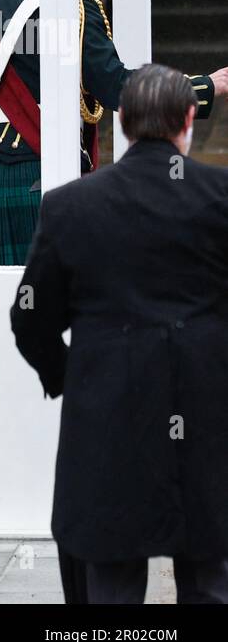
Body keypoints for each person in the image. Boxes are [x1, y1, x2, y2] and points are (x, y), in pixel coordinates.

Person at [0, 0, 228, 523]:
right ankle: (43, 468)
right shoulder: (75, 4)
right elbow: (120, 91)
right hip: (44, 183)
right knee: (56, 322)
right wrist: (207, 88)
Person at [12, 64, 228, 604]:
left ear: (123, 123)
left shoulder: (70, 205)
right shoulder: (219, 196)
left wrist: (69, 378)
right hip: (206, 406)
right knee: (209, 568)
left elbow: (30, 314)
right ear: (189, 118)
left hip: (108, 407)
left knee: (110, 578)